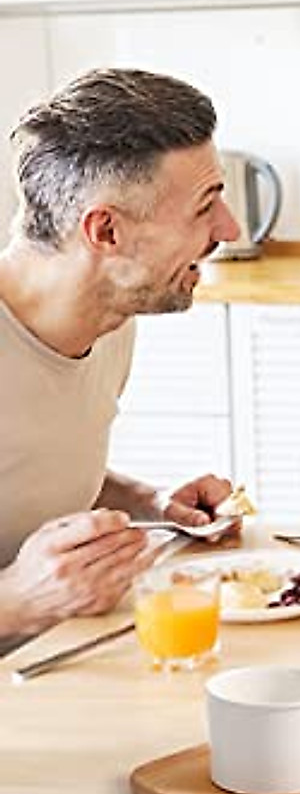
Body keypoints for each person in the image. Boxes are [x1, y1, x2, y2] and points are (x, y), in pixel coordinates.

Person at [0, 68, 243, 652]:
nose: (230, 229)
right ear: (105, 230)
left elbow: (27, 466)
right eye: (205, 207)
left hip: (54, 658)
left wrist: (149, 504)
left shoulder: (109, 318)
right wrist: (17, 599)